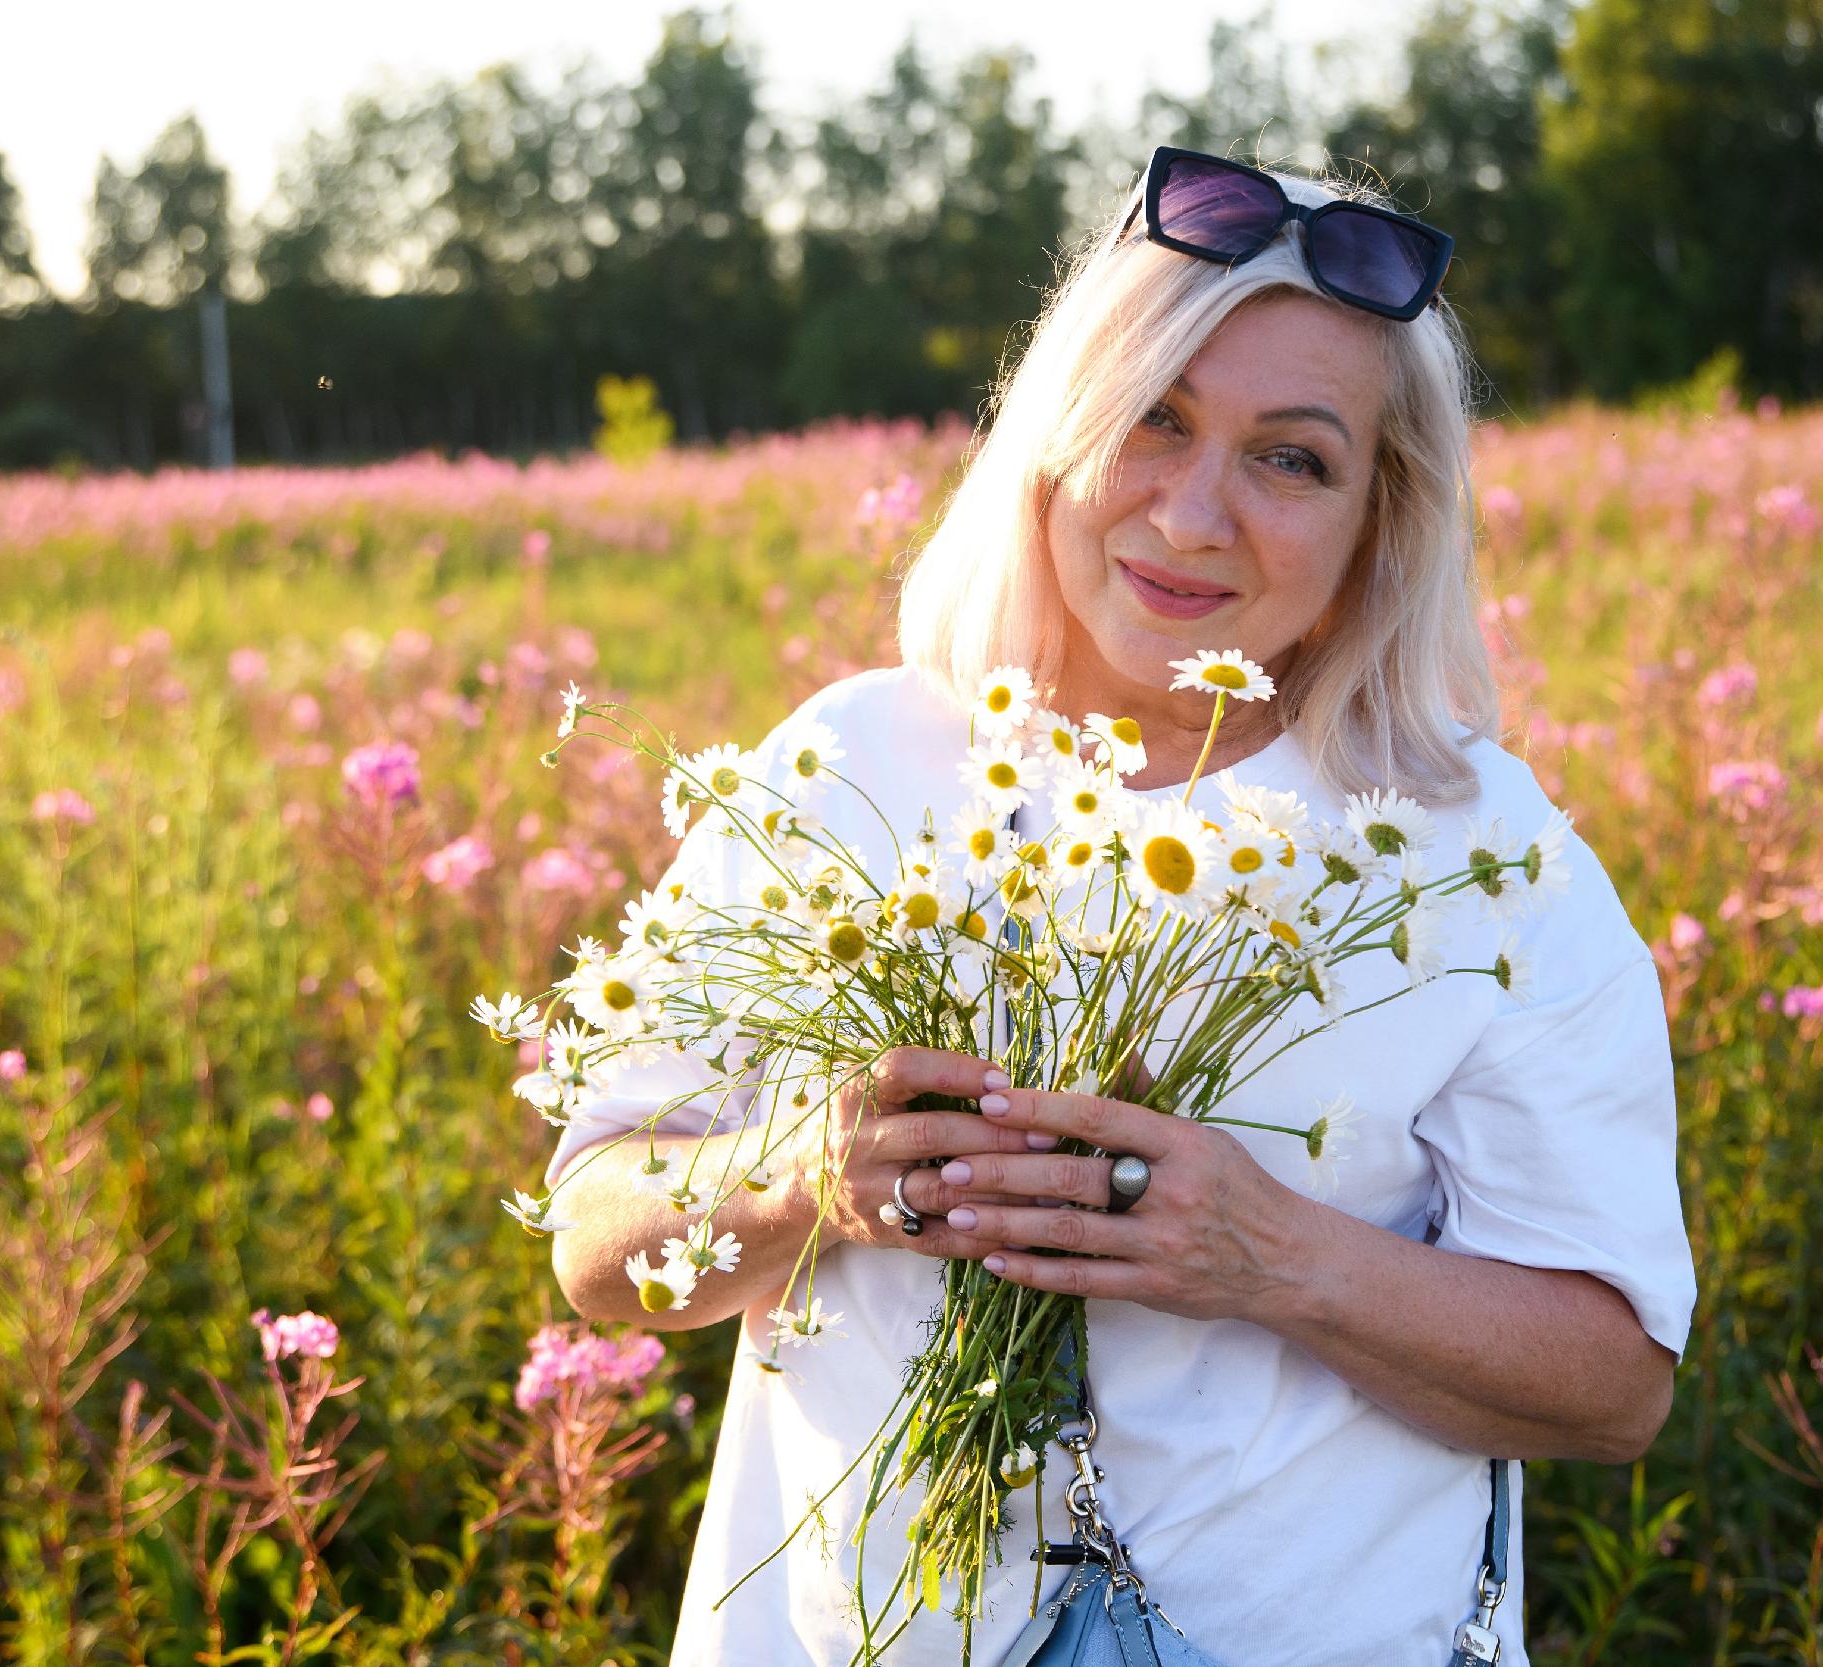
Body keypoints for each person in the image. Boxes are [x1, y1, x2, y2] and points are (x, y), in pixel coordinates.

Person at [544, 147, 1696, 1667]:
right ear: (1056, 435)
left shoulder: (1478, 857)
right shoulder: (855, 762)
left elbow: (1612, 1385)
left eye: (1294, 459)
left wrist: (1272, 1256)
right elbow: (596, 1238)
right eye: (1155, 420)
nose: (1195, 512)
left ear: (1379, 519)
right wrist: (807, 1174)